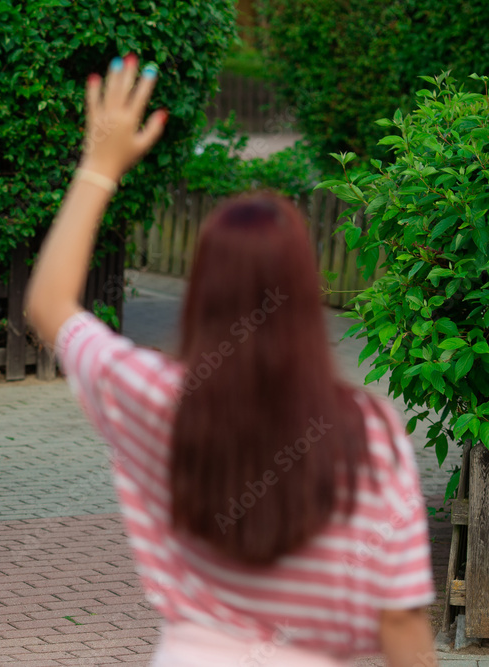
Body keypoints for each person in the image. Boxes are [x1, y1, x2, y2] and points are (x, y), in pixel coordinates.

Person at [25, 55, 438, 666]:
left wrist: (100, 164)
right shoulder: (370, 432)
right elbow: (402, 622)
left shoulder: (153, 396)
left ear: (200, 295)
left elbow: (50, 305)